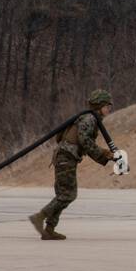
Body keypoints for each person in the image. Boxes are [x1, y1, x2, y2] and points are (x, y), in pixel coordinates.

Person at [29, 89, 116, 241]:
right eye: (108, 105)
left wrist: (106, 155)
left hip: (66, 157)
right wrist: (106, 154)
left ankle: (49, 230)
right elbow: (85, 141)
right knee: (68, 195)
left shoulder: (90, 118)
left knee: (62, 195)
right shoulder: (89, 119)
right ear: (100, 105)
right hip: (66, 157)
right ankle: (40, 216)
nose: (109, 108)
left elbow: (85, 142)